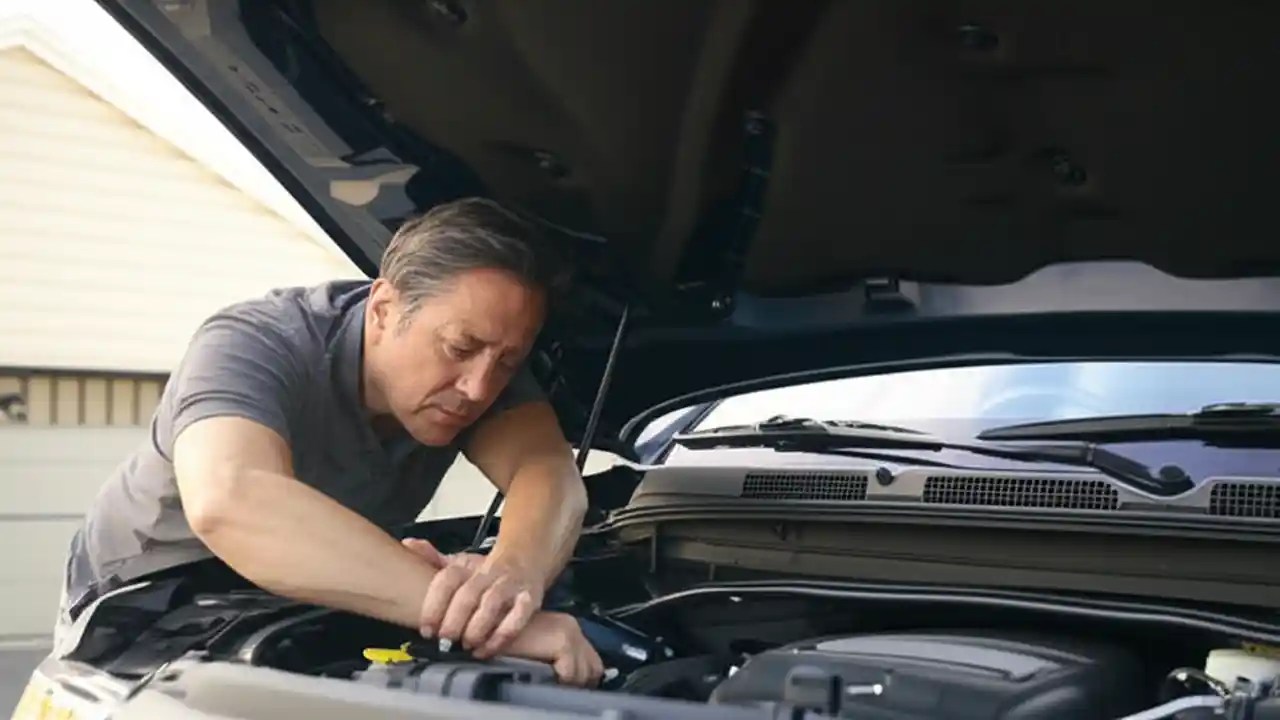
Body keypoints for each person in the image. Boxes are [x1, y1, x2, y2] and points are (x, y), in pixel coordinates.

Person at [54, 198, 603, 685]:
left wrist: (511, 579)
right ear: (386, 309)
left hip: (299, 595)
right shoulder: (257, 341)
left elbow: (549, 475)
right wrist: (468, 613)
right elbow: (232, 500)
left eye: (508, 361)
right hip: (140, 600)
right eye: (460, 347)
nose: (480, 388)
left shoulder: (481, 366)